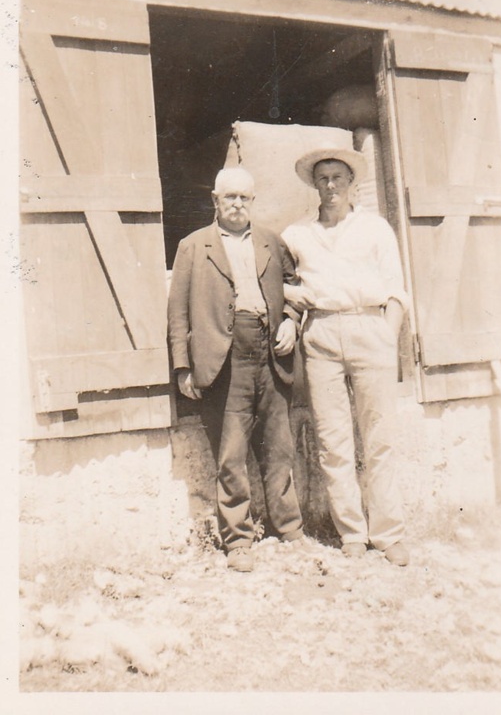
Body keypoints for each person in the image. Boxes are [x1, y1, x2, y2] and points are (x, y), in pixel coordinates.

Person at [167, 167, 305, 572]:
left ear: (252, 200)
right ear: (215, 200)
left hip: (270, 355)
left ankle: (290, 529)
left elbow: (297, 288)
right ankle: (239, 539)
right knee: (230, 453)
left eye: (245, 198)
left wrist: (291, 322)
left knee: (279, 446)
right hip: (225, 360)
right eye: (230, 198)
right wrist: (182, 367)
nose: (238, 205)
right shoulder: (194, 247)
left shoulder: (270, 241)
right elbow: (177, 313)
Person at [281, 138, 410, 566]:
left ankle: (388, 533)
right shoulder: (297, 234)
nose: (331, 185)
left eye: (338, 178)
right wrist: (290, 302)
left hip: (369, 327)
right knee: (333, 439)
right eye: (323, 179)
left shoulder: (375, 229)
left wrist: (386, 337)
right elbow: (280, 283)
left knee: (380, 436)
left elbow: (396, 288)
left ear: (352, 182)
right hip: (321, 333)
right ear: (314, 187)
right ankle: (351, 533)